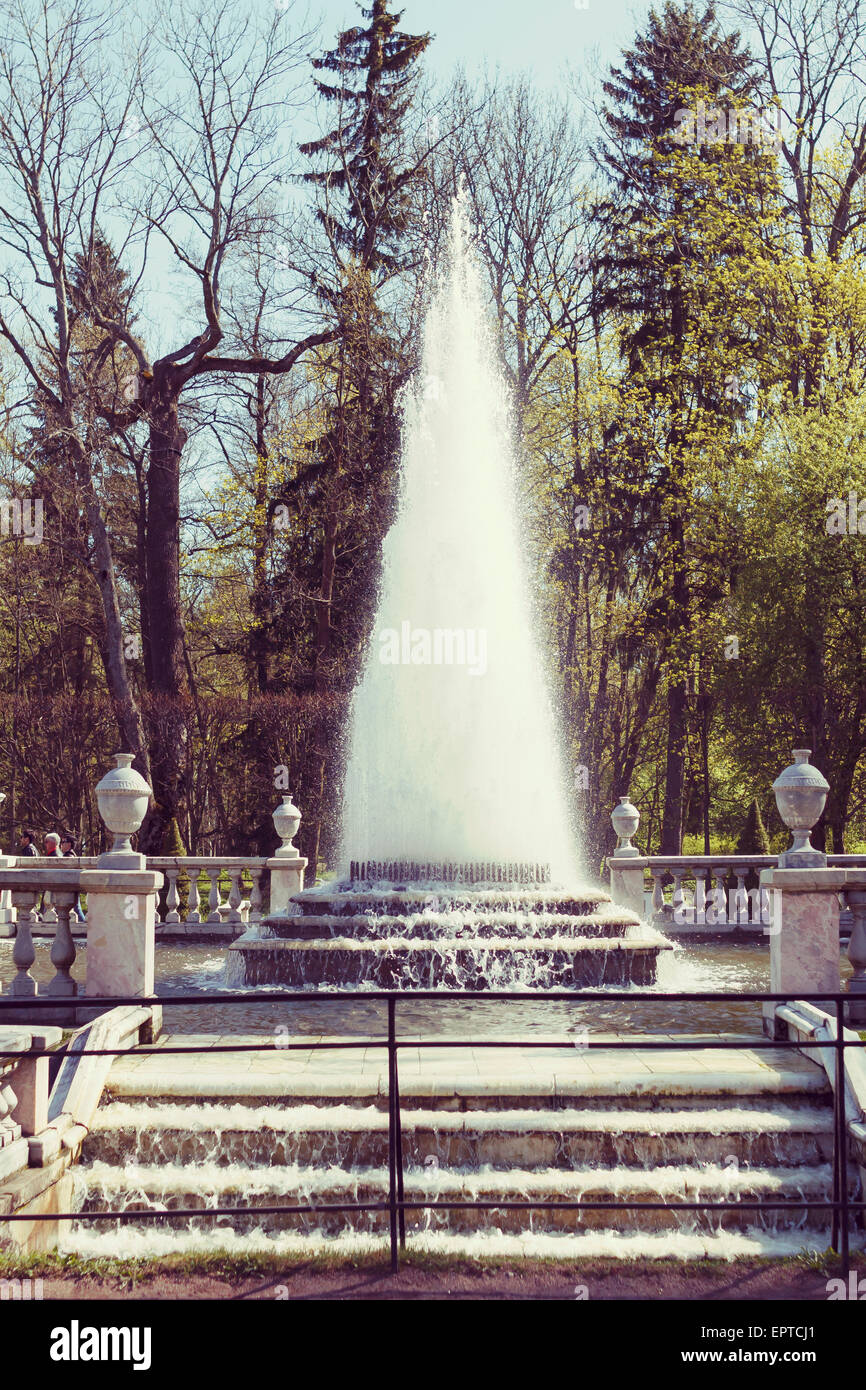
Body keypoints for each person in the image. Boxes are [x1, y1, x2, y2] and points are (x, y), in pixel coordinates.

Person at [61, 834, 86, 923]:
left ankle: (84, 926)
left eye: (63, 842)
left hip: (71, 888)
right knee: (76, 908)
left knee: (76, 909)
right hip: (73, 887)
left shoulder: (69, 856)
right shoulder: (70, 855)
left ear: (69, 844)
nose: (61, 844)